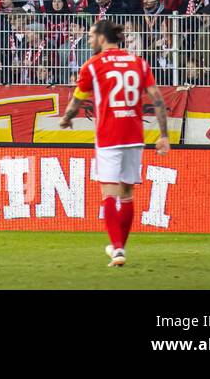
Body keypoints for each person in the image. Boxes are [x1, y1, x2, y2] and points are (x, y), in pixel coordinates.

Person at [59, 19, 170, 268]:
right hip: (134, 136)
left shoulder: (93, 65)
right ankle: (120, 246)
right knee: (127, 194)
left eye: (91, 36)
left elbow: (77, 101)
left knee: (108, 194)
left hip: (109, 136)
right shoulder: (138, 63)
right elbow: (158, 99)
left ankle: (117, 248)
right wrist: (164, 136)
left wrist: (67, 118)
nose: (89, 40)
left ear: (101, 37)